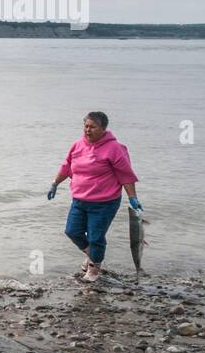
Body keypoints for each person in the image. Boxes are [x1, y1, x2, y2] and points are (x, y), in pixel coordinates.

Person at [48, 111, 140, 282]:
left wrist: (133, 198)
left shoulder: (114, 149)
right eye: (86, 126)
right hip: (79, 200)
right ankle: (94, 256)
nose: (87, 130)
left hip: (105, 202)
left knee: (96, 236)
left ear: (103, 129)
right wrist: (55, 183)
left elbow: (125, 174)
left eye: (92, 127)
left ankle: (94, 269)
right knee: (72, 231)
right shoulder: (77, 145)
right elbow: (67, 165)